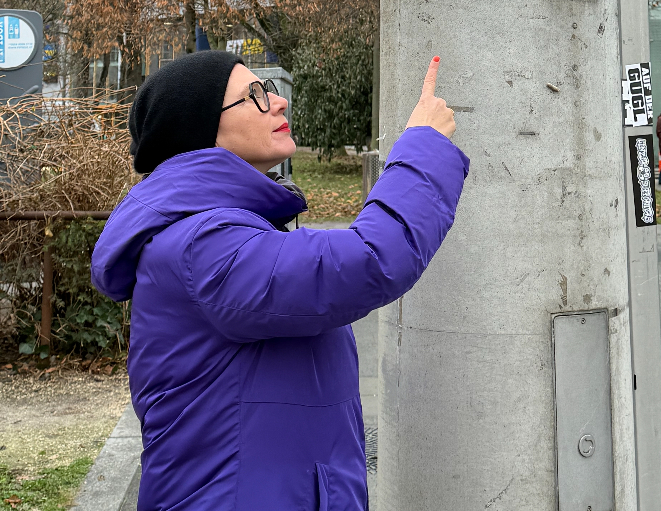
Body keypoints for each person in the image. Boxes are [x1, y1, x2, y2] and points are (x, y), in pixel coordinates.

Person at [91, 49, 468, 511]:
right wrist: (423, 147)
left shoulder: (224, 231)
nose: (278, 101)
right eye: (255, 94)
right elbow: (369, 260)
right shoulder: (203, 246)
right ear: (200, 128)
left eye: (269, 89)